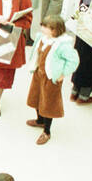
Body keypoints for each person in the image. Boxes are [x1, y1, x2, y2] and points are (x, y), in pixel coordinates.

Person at [26, 15, 79, 145]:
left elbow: (73, 60)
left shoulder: (62, 45)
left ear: (55, 30)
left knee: (48, 103)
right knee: (36, 97)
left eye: (45, 27)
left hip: (51, 78)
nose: (42, 28)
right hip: (39, 73)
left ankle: (47, 131)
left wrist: (63, 74)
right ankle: (40, 120)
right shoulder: (42, 38)